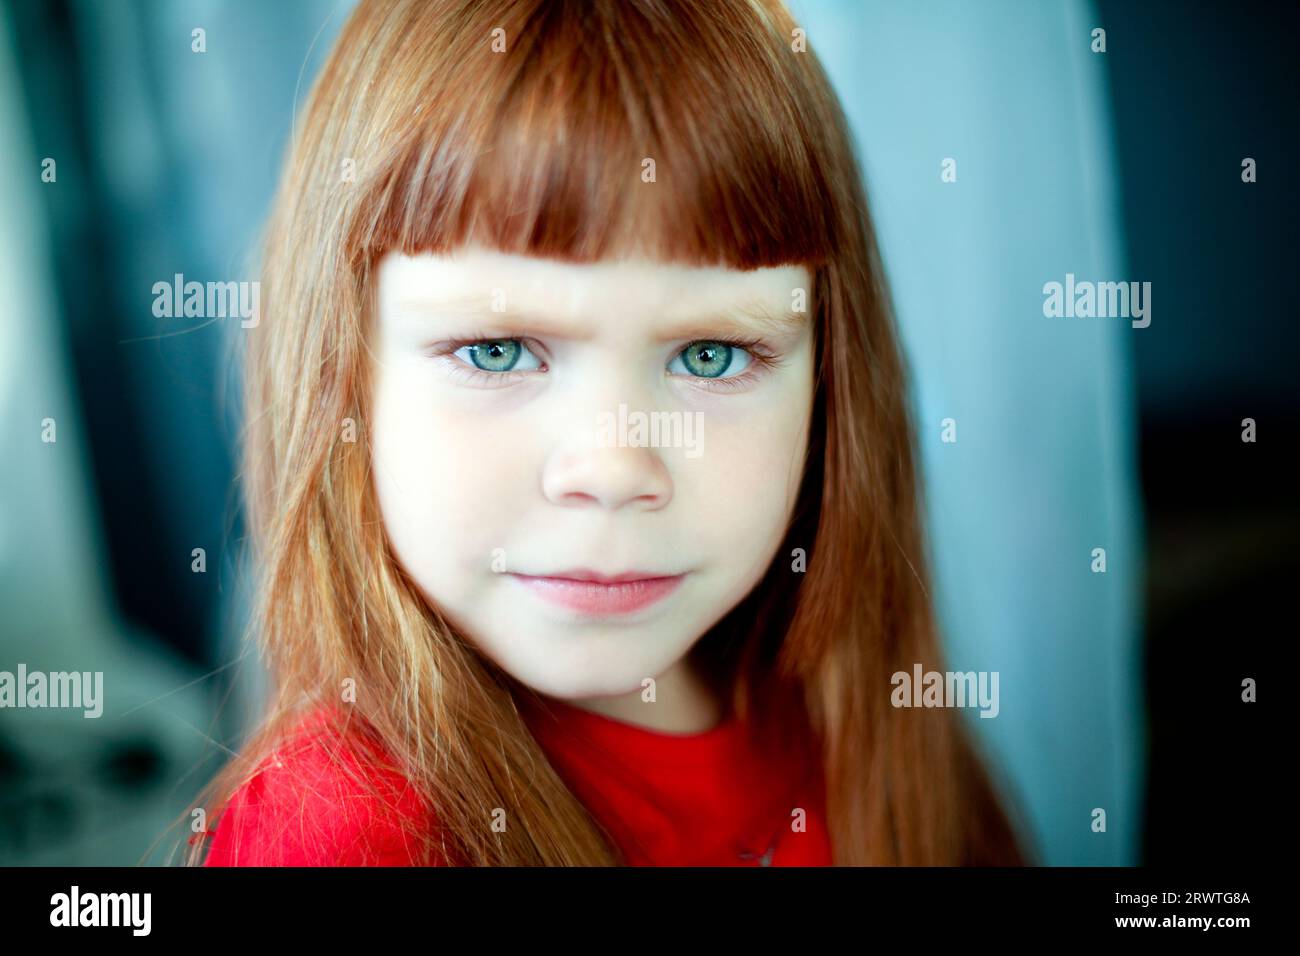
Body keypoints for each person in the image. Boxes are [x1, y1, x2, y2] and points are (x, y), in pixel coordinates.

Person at [188, 0, 1027, 867]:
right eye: (498, 349)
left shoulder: (856, 712)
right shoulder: (343, 835)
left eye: (709, 355)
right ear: (344, 374)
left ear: (832, 380)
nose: (615, 466)